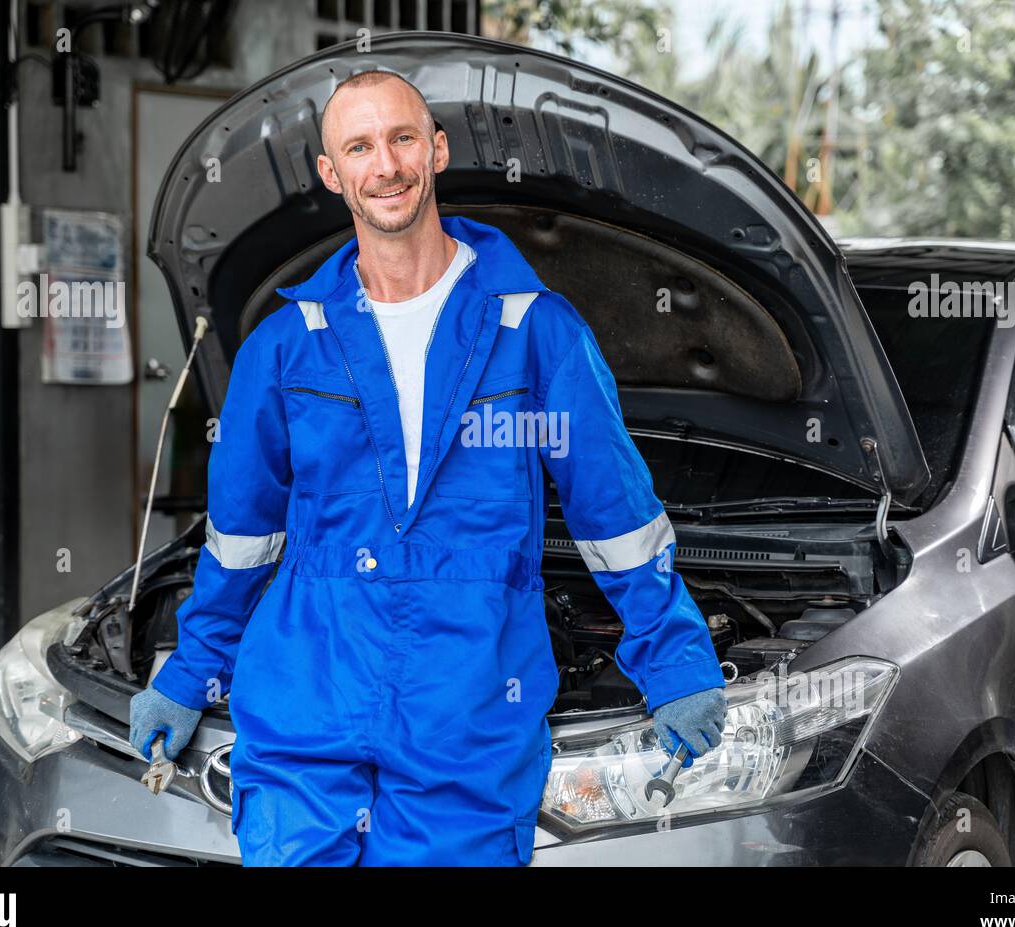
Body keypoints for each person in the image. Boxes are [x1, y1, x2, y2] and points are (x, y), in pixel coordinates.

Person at [129, 68, 727, 866]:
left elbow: (613, 515)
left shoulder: (535, 330)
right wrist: (190, 672)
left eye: (404, 137)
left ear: (437, 150)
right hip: (308, 707)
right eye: (360, 146)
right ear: (332, 174)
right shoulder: (284, 344)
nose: (387, 164)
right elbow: (241, 537)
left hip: (467, 719)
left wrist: (677, 659)